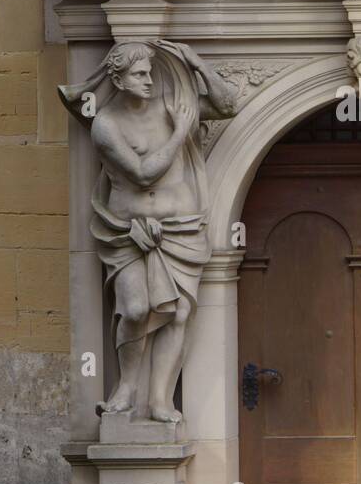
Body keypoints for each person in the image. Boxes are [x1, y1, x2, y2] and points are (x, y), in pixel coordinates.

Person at [59, 41, 241, 423]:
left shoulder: (168, 106)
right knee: (137, 308)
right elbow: (142, 173)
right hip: (128, 232)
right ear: (118, 78)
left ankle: (159, 399)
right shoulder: (105, 125)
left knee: (177, 313)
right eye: (139, 74)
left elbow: (228, 105)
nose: (148, 80)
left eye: (150, 73)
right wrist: (178, 134)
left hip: (181, 228)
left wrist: (198, 64)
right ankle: (126, 387)